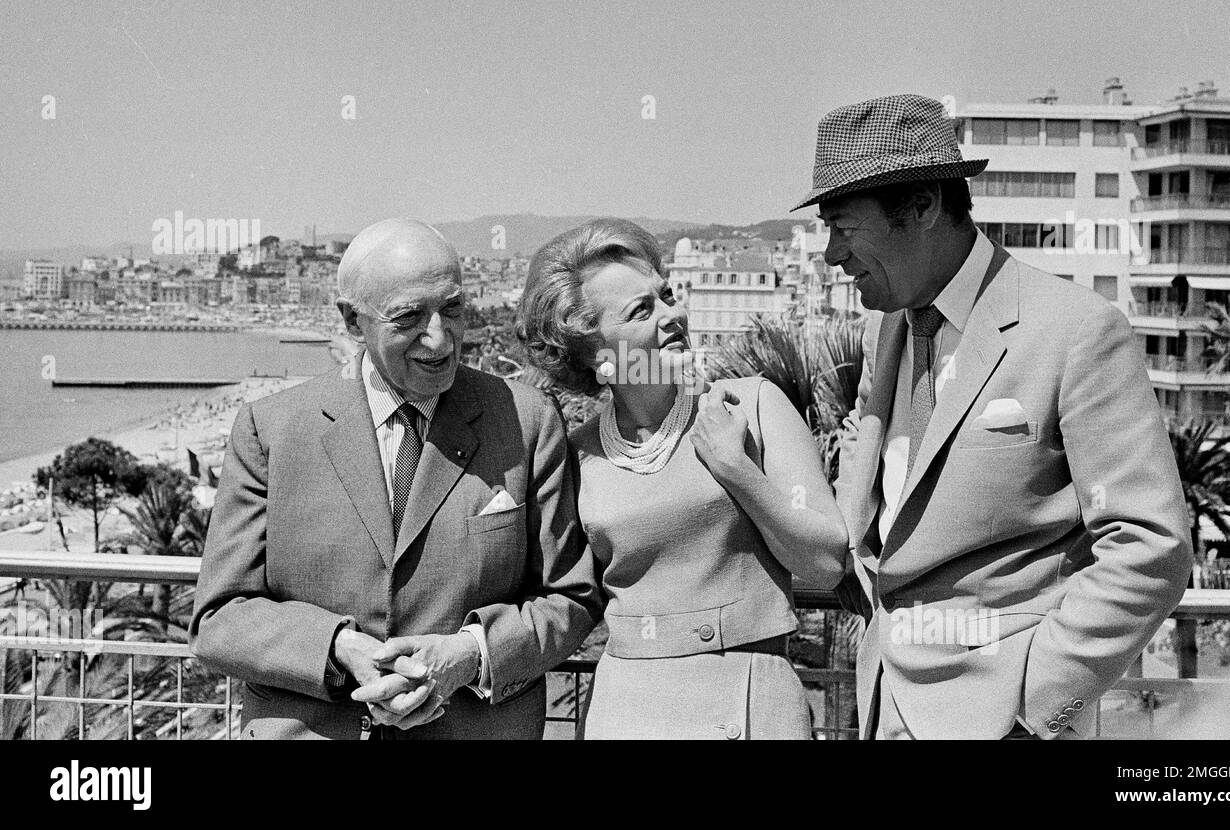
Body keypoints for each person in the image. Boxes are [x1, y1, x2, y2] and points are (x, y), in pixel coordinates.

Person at [792, 95, 1193, 739]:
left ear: (922, 207)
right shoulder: (885, 334)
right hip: (880, 706)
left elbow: (1151, 547)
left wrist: (1034, 707)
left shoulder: (1075, 331)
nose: (831, 253)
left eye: (842, 224)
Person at [190, 218, 601, 739]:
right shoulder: (270, 431)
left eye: (452, 309)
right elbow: (220, 618)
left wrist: (470, 654)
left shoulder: (525, 421)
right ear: (350, 320)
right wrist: (339, 649)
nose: (440, 337)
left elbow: (572, 598)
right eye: (408, 317)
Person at [517, 217, 847, 739]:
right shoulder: (575, 453)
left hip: (748, 700)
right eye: (643, 310)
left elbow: (826, 563)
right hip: (626, 709)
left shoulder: (752, 405)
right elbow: (563, 593)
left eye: (667, 295)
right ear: (593, 352)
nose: (674, 315)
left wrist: (737, 470)